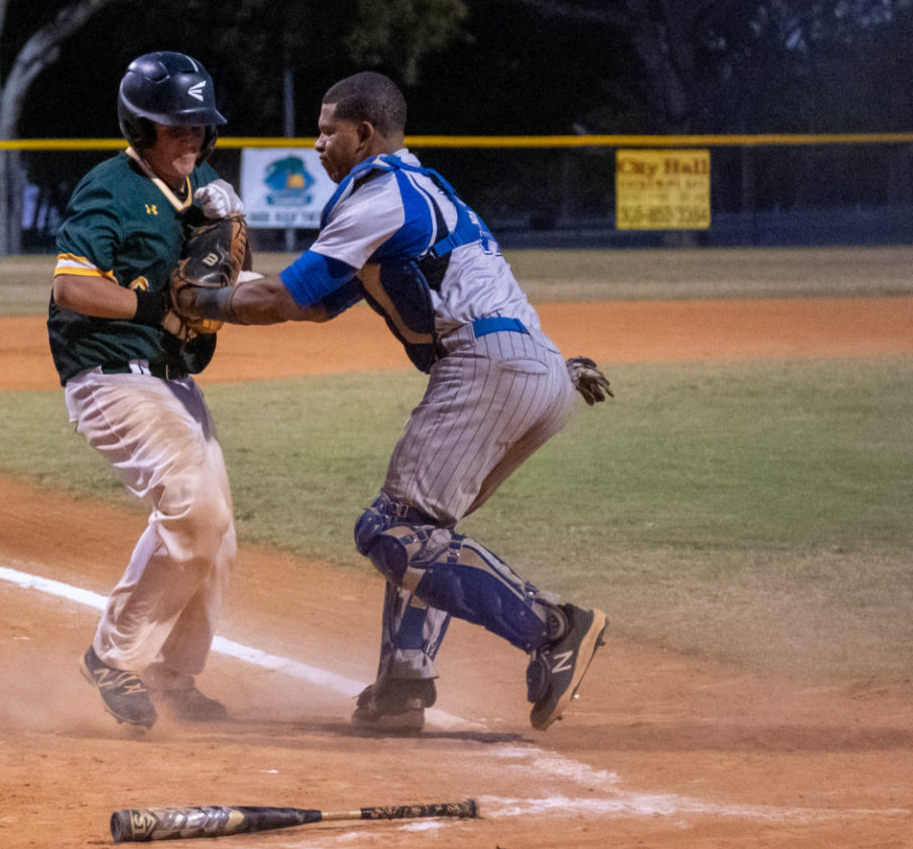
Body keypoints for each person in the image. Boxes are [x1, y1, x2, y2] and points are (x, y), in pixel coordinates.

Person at [174, 71, 611, 733]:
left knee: (390, 531)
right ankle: (406, 678)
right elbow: (317, 303)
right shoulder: (410, 191)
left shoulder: (379, 196)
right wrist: (231, 290)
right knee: (422, 528)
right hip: (529, 368)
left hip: (489, 367)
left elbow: (286, 301)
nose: (318, 145)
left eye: (328, 132)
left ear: (364, 133)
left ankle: (553, 629)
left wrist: (193, 301)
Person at [49, 51, 246, 729]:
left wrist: (229, 245)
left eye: (200, 125)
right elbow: (71, 286)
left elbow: (216, 283)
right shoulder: (109, 188)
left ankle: (173, 672)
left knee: (216, 537)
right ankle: (112, 655)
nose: (192, 136)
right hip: (107, 375)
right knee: (193, 508)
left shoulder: (205, 186)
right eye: (177, 126)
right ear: (141, 128)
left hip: (173, 381)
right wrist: (153, 312)